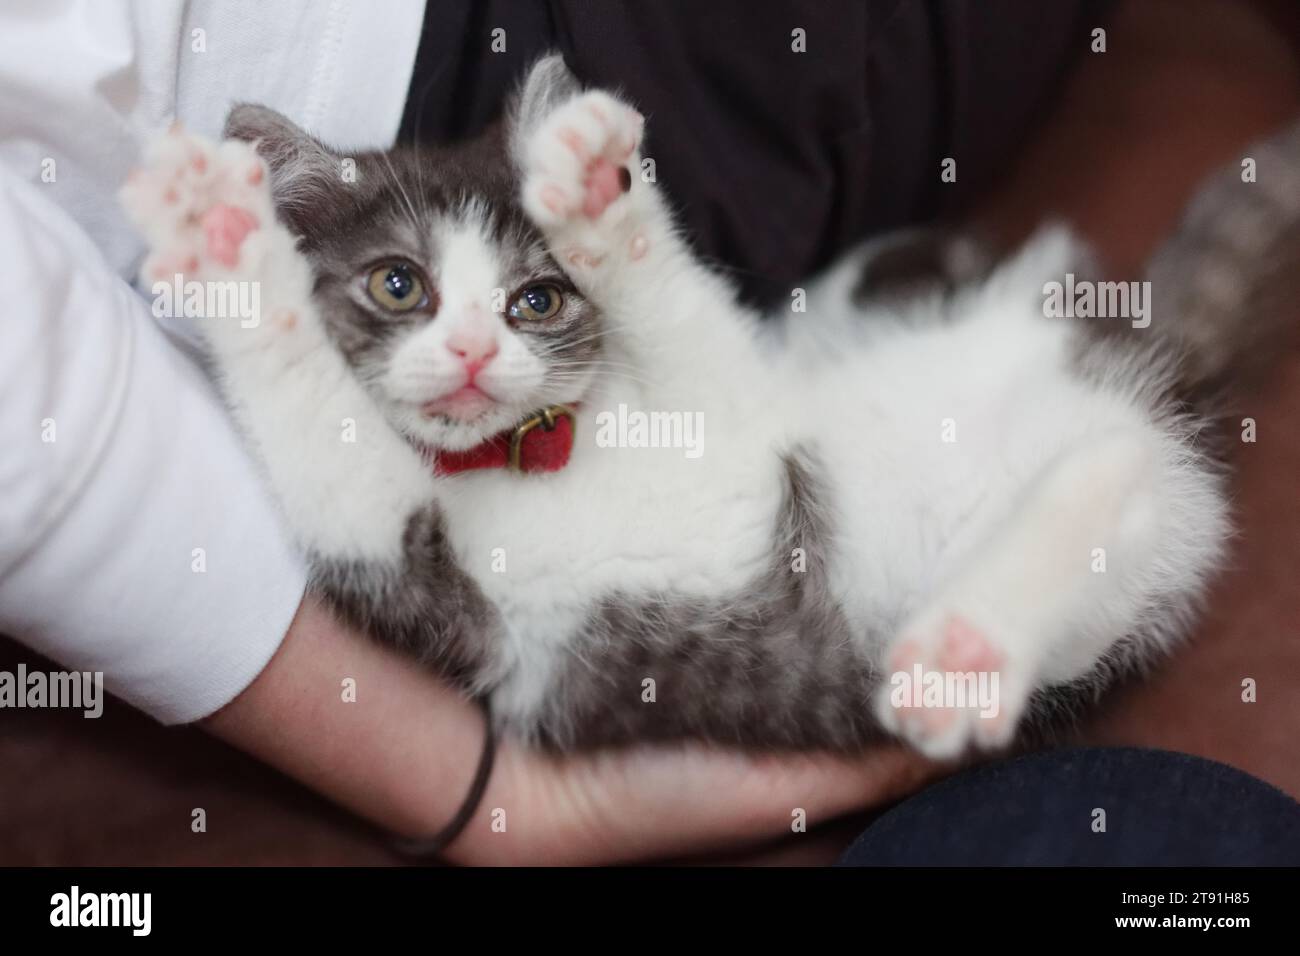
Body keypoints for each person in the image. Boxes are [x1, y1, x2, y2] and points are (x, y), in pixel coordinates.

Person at [3, 0, 1295, 864]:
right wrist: (259, 317)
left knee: (852, 385)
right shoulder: (437, 553)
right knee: (1125, 505)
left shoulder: (591, 400)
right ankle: (1027, 582)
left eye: (527, 302)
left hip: (839, 431)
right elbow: (354, 512)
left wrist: (614, 251)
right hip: (868, 596)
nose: (471, 348)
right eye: (404, 294)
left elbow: (725, 404)